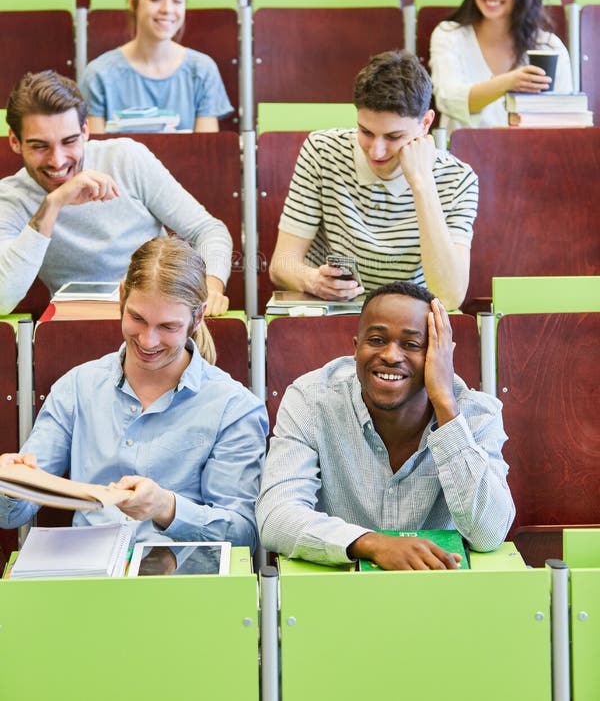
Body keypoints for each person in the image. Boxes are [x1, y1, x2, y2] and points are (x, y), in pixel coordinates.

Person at [0, 236, 268, 550]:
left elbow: (243, 534)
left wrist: (166, 508)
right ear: (122, 297)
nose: (148, 340)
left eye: (167, 327)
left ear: (197, 318)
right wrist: (11, 484)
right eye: (137, 318)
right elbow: (13, 514)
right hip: (88, 575)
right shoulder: (77, 387)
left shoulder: (233, 407)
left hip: (186, 583)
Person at [256, 281, 515, 569]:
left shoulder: (477, 413)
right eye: (377, 340)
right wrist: (372, 544)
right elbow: (275, 516)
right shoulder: (312, 400)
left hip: (441, 591)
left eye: (412, 344)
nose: (391, 356)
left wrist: (445, 405)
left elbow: (489, 533)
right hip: (340, 590)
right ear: (356, 348)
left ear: (440, 355)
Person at [0, 70, 232, 316]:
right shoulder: (11, 197)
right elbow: (3, 298)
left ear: (85, 132)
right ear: (15, 141)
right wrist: (53, 204)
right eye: (40, 146)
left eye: (69, 142)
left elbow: (208, 230)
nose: (57, 161)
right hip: (76, 327)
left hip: (157, 316)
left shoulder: (126, 158)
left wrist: (212, 286)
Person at [268, 50, 478, 311]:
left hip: (408, 322)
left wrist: (421, 184)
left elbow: (449, 296)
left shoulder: (459, 179)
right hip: (335, 314)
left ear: (425, 123)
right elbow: (281, 264)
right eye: (366, 132)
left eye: (393, 137)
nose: (376, 151)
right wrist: (313, 281)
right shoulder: (322, 150)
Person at [429, 0, 573, 136]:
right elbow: (449, 100)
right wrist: (508, 82)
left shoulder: (549, 47)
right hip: (464, 161)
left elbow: (564, 121)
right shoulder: (449, 35)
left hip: (531, 160)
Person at [80, 0, 233, 133]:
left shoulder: (203, 70)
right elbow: (95, 154)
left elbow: (206, 152)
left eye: (177, 1)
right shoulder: (99, 74)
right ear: (132, 3)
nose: (167, 9)